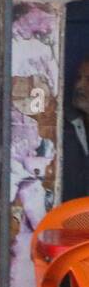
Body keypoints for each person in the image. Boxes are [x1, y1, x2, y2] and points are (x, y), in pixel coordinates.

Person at [65, 55, 89, 200]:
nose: (79, 86)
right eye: (78, 78)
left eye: (88, 80)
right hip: (63, 219)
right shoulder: (58, 121)